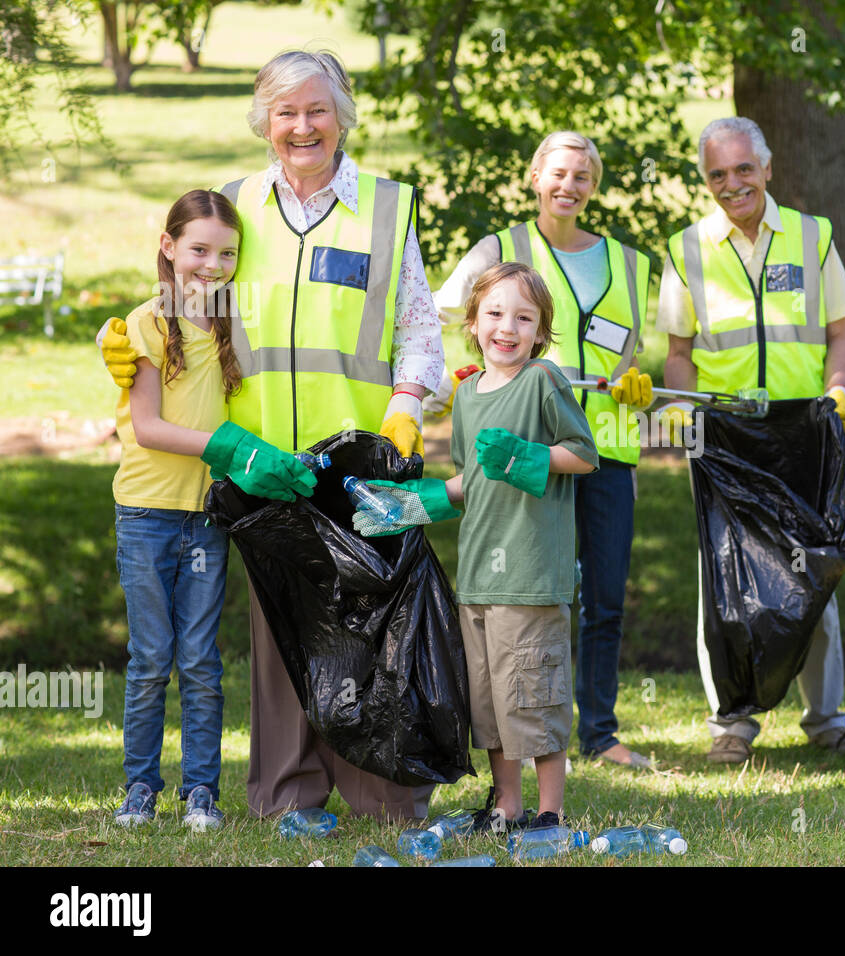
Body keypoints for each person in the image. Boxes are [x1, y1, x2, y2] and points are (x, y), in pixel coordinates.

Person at [100, 50, 443, 821]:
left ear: (343, 115)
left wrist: (407, 404)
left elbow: (421, 328)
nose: (302, 127)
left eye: (317, 110)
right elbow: (177, 297)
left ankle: (384, 795)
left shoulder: (387, 207)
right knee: (281, 633)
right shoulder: (234, 202)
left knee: (370, 628)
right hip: (259, 464)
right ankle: (288, 796)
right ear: (264, 121)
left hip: (357, 462)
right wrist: (115, 337)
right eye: (285, 113)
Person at [434, 131, 654, 769]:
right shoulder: (499, 250)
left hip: (602, 449)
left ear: (595, 185)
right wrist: (461, 382)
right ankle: (515, 729)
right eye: (558, 172)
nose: (570, 185)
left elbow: (651, 355)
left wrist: (644, 391)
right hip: (521, 455)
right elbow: (444, 315)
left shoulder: (631, 264)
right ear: (535, 176)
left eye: (583, 175)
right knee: (529, 593)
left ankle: (601, 731)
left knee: (604, 595)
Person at [354, 262, 598, 831]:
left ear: (541, 331)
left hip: (533, 574)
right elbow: (472, 479)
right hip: (480, 580)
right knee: (488, 704)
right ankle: (506, 804)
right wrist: (415, 504)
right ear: (472, 322)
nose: (507, 327)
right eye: (494, 313)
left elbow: (584, 454)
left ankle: (550, 811)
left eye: (523, 317)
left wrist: (526, 457)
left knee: (533, 696)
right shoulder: (466, 394)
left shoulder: (544, 381)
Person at [657, 116, 845, 763]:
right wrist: (685, 413)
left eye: (744, 169)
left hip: (804, 432)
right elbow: (679, 353)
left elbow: (840, 337)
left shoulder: (812, 236)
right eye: (717, 174)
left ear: (768, 168)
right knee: (723, 578)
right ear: (705, 181)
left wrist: (838, 393)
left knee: (814, 571)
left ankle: (825, 719)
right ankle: (733, 724)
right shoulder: (686, 248)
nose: (732, 183)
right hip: (724, 437)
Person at [111, 189, 317, 831]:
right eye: (198, 249)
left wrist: (259, 459)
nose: (213, 264)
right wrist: (230, 447)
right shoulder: (145, 326)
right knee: (151, 659)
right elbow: (148, 427)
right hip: (146, 514)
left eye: (227, 253)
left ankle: (201, 791)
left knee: (200, 658)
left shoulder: (231, 323)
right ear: (169, 247)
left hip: (205, 517)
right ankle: (141, 787)